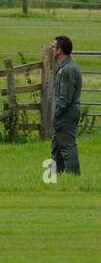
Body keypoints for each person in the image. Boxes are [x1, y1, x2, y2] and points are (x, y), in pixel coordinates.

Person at [50, 35, 82, 175]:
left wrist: (56, 113)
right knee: (56, 147)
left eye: (53, 47)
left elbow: (65, 98)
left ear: (59, 50)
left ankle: (73, 178)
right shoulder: (65, 67)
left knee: (68, 146)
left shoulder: (68, 69)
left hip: (66, 114)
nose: (52, 49)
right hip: (63, 113)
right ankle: (55, 177)